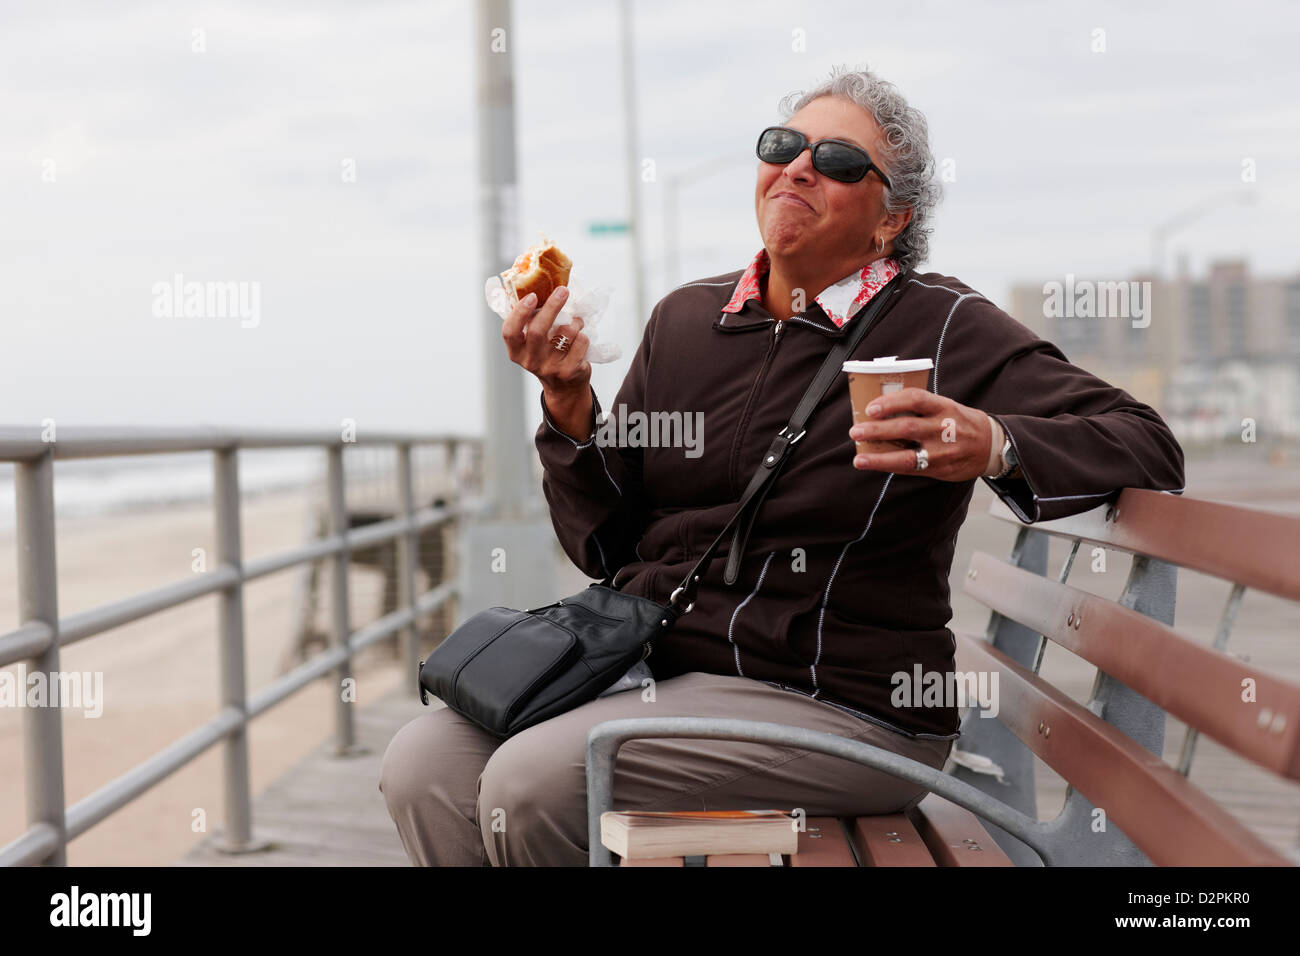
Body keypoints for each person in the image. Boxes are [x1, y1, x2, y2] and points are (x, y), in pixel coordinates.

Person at [379, 64, 1185, 866]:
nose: (800, 165)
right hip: (658, 663)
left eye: (838, 162)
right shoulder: (686, 321)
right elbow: (606, 546)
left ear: (890, 219)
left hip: (846, 702)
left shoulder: (943, 326)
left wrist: (993, 441)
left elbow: (1144, 440)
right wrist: (568, 406)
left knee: (535, 781)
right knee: (424, 767)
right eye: (784, 145)